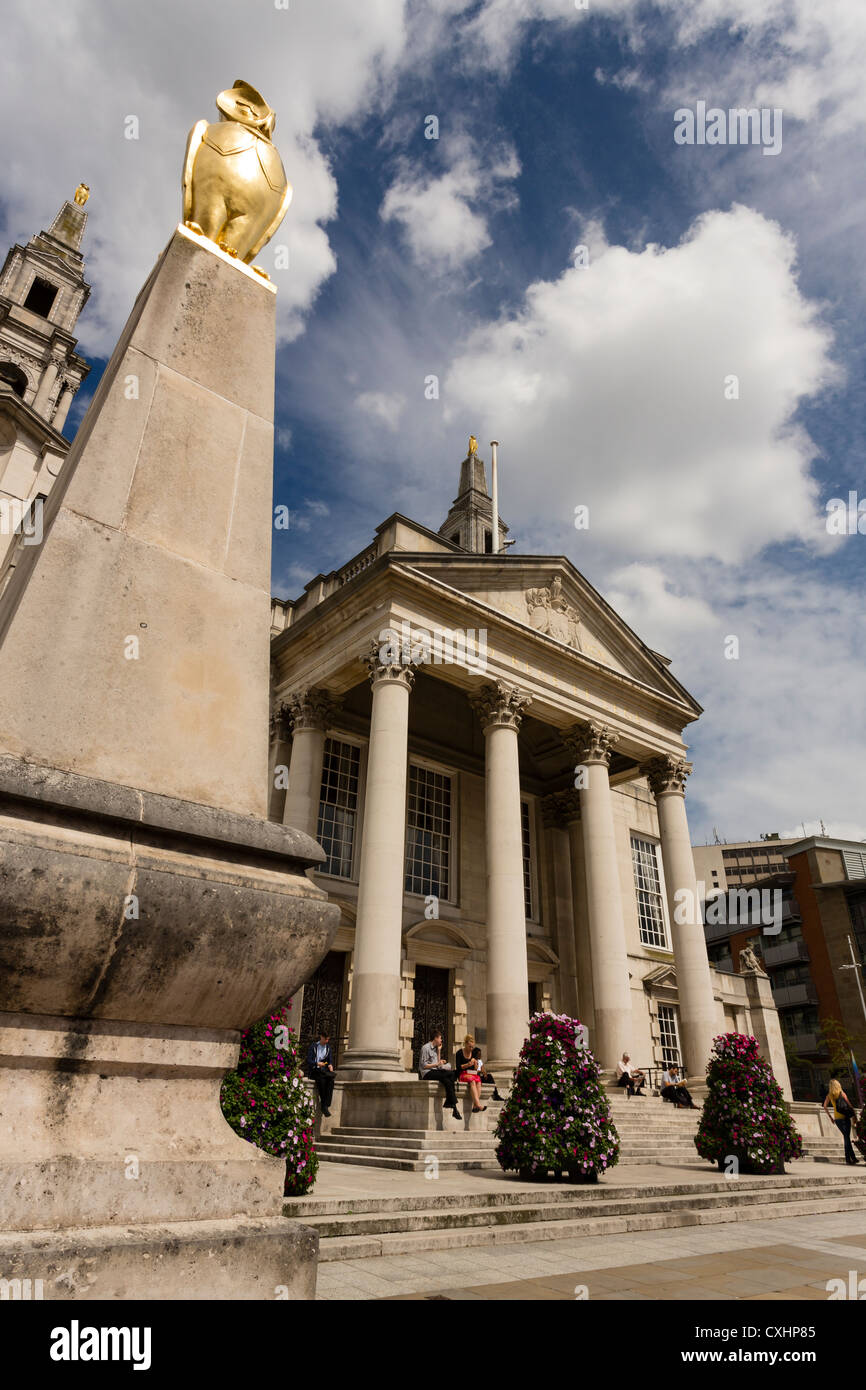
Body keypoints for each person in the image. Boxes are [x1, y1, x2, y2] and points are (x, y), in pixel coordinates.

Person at [418, 1029, 462, 1120]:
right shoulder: (425, 1048)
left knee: (448, 1081)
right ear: (436, 1038)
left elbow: (438, 1065)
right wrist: (437, 1064)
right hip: (427, 1073)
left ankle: (454, 1108)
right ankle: (449, 1103)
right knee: (451, 1074)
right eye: (440, 1038)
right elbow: (424, 1065)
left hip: (435, 1071)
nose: (441, 1040)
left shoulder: (435, 1049)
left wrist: (439, 1052)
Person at [824, 1078, 859, 1165]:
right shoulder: (842, 1093)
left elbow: (824, 1106)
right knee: (847, 1137)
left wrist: (830, 1117)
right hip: (845, 1117)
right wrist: (854, 1115)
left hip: (837, 1119)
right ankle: (849, 1158)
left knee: (846, 1137)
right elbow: (849, 1104)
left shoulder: (829, 1095)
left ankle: (852, 1158)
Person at [304, 1029, 336, 1117]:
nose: (327, 1041)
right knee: (322, 1080)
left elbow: (329, 1061)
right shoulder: (313, 1046)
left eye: (328, 1039)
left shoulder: (328, 1048)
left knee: (331, 1080)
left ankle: (325, 1104)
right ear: (321, 1037)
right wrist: (317, 1063)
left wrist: (330, 1065)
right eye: (326, 1039)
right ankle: (324, 1106)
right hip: (314, 1070)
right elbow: (309, 1060)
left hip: (323, 1070)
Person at [456, 1033, 486, 1113]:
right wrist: (467, 1064)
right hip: (462, 1074)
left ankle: (475, 1106)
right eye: (469, 1046)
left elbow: (476, 1069)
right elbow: (458, 1067)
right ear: (465, 1044)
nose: (471, 1048)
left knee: (479, 1081)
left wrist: (475, 1064)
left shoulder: (473, 1054)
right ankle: (478, 1104)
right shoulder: (459, 1053)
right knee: (472, 1081)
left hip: (471, 1073)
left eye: (472, 1047)